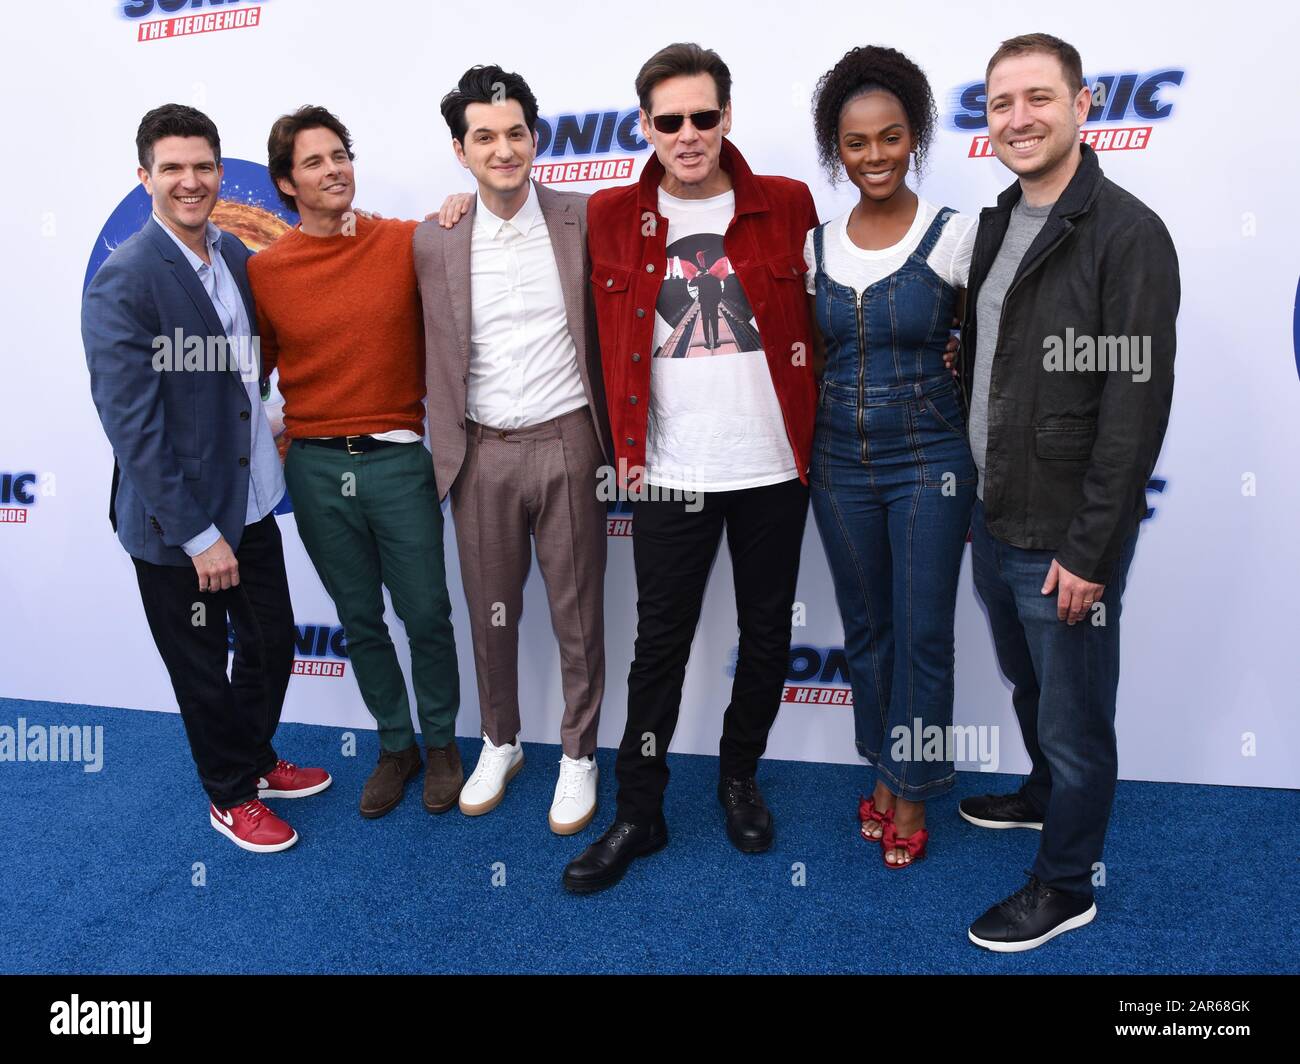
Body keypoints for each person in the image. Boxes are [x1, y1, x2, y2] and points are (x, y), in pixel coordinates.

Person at [561, 42, 820, 894]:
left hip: (774, 464)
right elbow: (517, 211)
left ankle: (739, 775)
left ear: (727, 117)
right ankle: (640, 806)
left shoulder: (785, 204)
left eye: (702, 116)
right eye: (667, 120)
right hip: (667, 467)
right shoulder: (608, 216)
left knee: (767, 633)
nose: (687, 134)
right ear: (644, 126)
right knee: (658, 647)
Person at [958, 33, 1178, 951]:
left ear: (1084, 105)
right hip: (992, 509)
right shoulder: (996, 221)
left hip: (1063, 534)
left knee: (1078, 716)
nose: (1019, 118)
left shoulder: (1128, 235)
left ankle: (1067, 881)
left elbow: (1135, 414)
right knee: (1028, 682)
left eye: (1038, 98)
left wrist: (1090, 550)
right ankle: (1044, 796)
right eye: (1002, 103)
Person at [82, 104, 330, 853]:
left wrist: (277, 418)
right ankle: (228, 794)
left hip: (250, 499)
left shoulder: (236, 259)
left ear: (221, 174)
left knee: (271, 642)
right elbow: (134, 426)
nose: (190, 182)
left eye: (202, 167)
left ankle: (251, 759)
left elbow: (241, 378)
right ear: (145, 178)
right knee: (201, 665)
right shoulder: (126, 280)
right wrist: (196, 536)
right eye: (172, 169)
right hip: (176, 525)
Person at [413, 65, 613, 834]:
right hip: (480, 455)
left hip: (569, 441)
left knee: (579, 615)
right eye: (485, 137)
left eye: (516, 133)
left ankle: (579, 755)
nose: (504, 149)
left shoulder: (585, 217)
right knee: (491, 616)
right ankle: (500, 740)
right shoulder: (433, 237)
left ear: (536, 138)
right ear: (460, 150)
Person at [248, 107, 462, 821]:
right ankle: (394, 745)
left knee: (427, 612)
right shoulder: (266, 271)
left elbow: (462, 239)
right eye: (313, 161)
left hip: (398, 462)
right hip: (313, 470)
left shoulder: (402, 242)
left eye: (340, 154)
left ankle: (440, 746)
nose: (333, 168)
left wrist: (461, 203)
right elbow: (257, 373)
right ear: (286, 182)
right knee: (359, 618)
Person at [804, 47, 977, 868]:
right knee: (867, 630)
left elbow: (992, 348)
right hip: (837, 465)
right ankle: (882, 765)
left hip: (930, 462)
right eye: (856, 142)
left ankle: (912, 787)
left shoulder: (957, 236)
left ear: (917, 137)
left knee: (921, 633)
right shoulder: (814, 245)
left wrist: (960, 362)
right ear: (835, 148)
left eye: (891, 137)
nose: (874, 155)